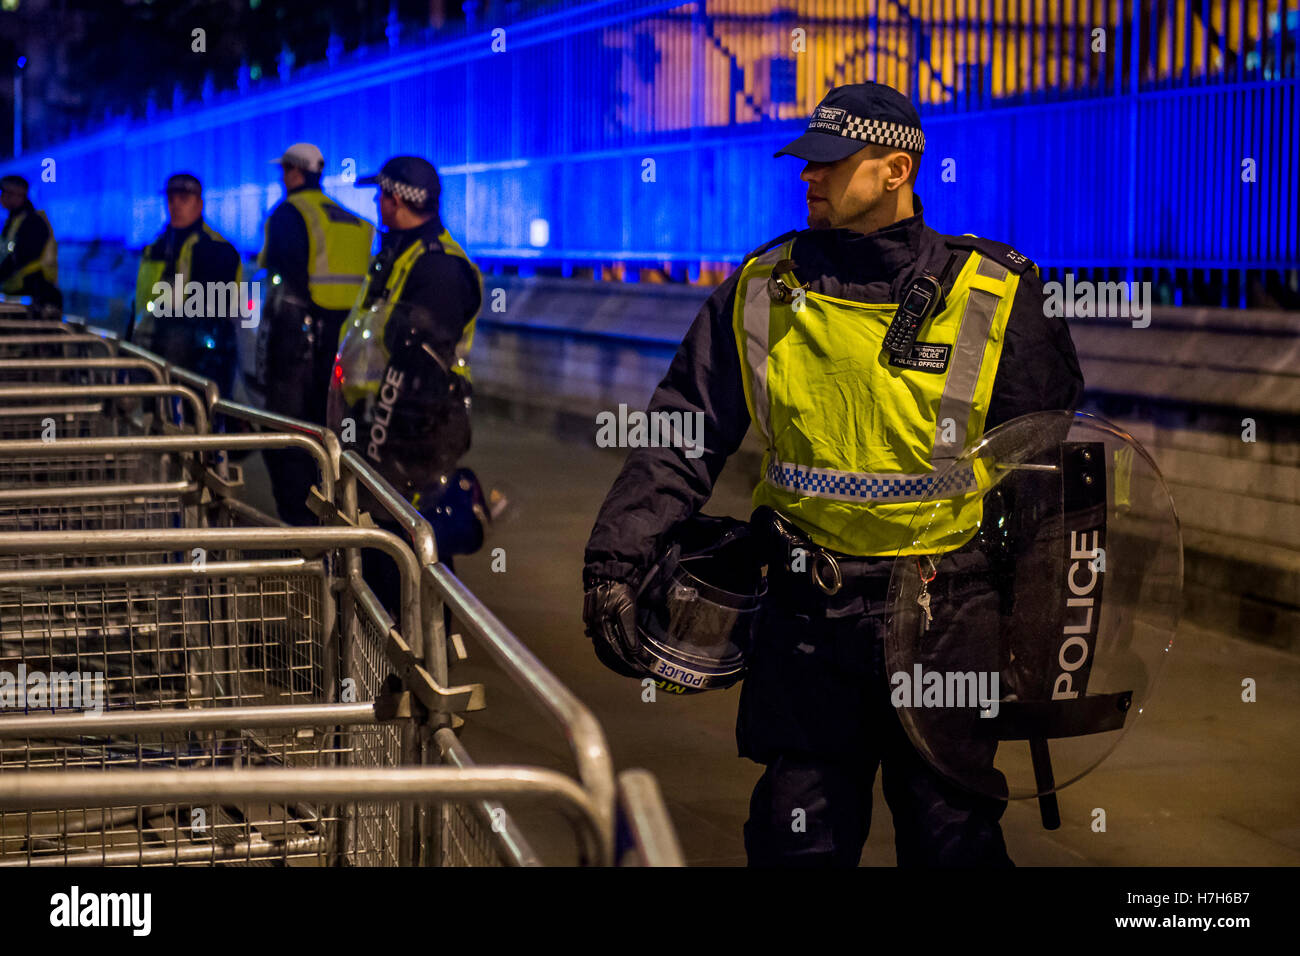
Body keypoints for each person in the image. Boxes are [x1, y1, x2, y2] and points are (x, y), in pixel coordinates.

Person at [581, 82, 1085, 867]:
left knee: (952, 840)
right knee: (796, 842)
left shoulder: (993, 291)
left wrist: (1044, 632)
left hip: (948, 618)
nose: (808, 177)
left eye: (830, 163)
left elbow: (1048, 483)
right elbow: (679, 437)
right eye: (806, 163)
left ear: (896, 169)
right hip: (806, 621)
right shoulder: (759, 290)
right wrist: (616, 560)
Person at [328, 155, 482, 610]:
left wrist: (382, 441)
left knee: (413, 543)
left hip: (413, 431)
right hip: (380, 420)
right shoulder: (400, 254)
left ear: (396, 200)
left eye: (381, 194)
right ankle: (398, 653)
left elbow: (419, 367)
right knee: (389, 545)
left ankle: (425, 656)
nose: (377, 202)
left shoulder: (439, 268)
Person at [257, 142, 375, 524]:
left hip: (297, 344)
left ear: (294, 172)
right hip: (345, 347)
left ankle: (301, 527)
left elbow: (276, 273)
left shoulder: (289, 214)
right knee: (339, 436)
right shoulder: (353, 221)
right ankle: (342, 519)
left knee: (287, 439)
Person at [129, 173, 243, 395]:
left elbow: (215, 312)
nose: (175, 205)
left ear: (199, 204)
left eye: (184, 199)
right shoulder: (156, 247)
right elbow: (141, 303)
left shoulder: (218, 249)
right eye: (171, 199)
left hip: (199, 362)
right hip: (152, 351)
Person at [0, 174, 61, 311]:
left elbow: (19, 258)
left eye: (6, 192)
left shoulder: (33, 222)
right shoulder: (13, 222)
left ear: (20, 195)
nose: (2, 197)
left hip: (37, 296)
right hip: (22, 295)